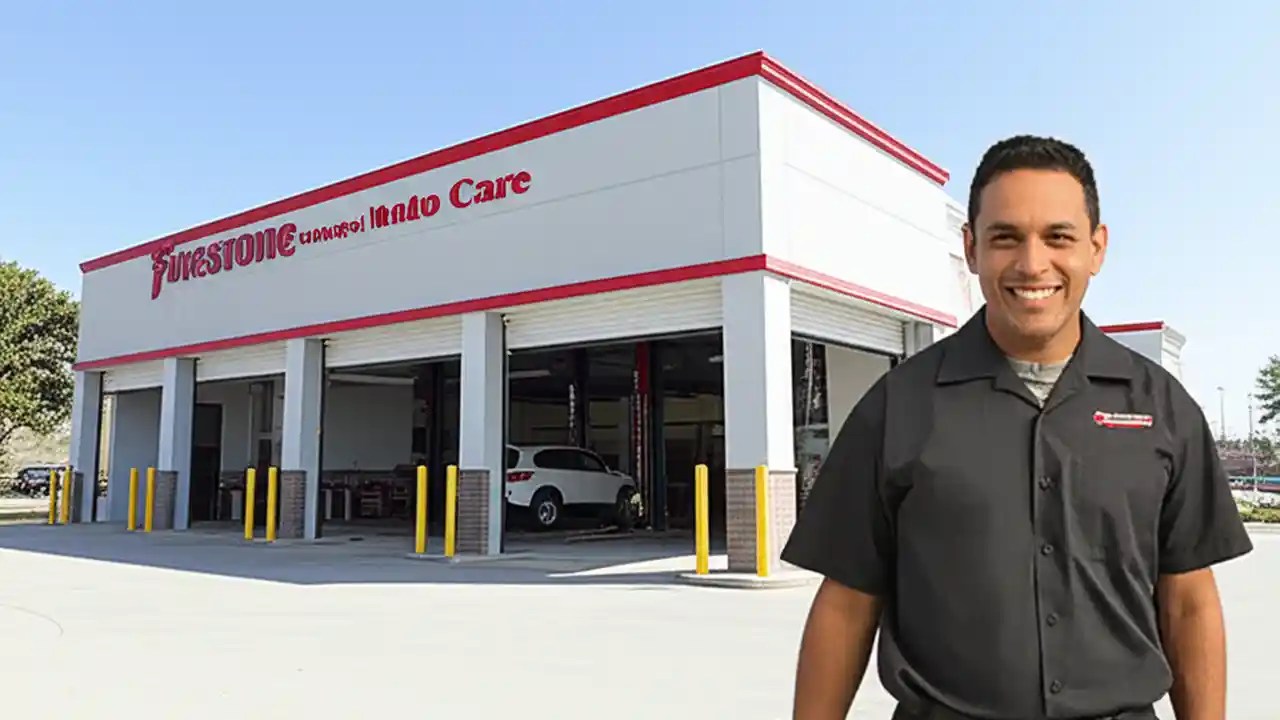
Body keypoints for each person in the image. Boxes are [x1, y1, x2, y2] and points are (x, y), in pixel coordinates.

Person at [781, 135, 1253, 720]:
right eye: (1006, 237)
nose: (1032, 264)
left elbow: (1189, 603)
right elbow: (847, 604)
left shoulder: (1164, 409)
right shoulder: (895, 408)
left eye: (1058, 237)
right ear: (971, 248)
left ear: (1096, 248)